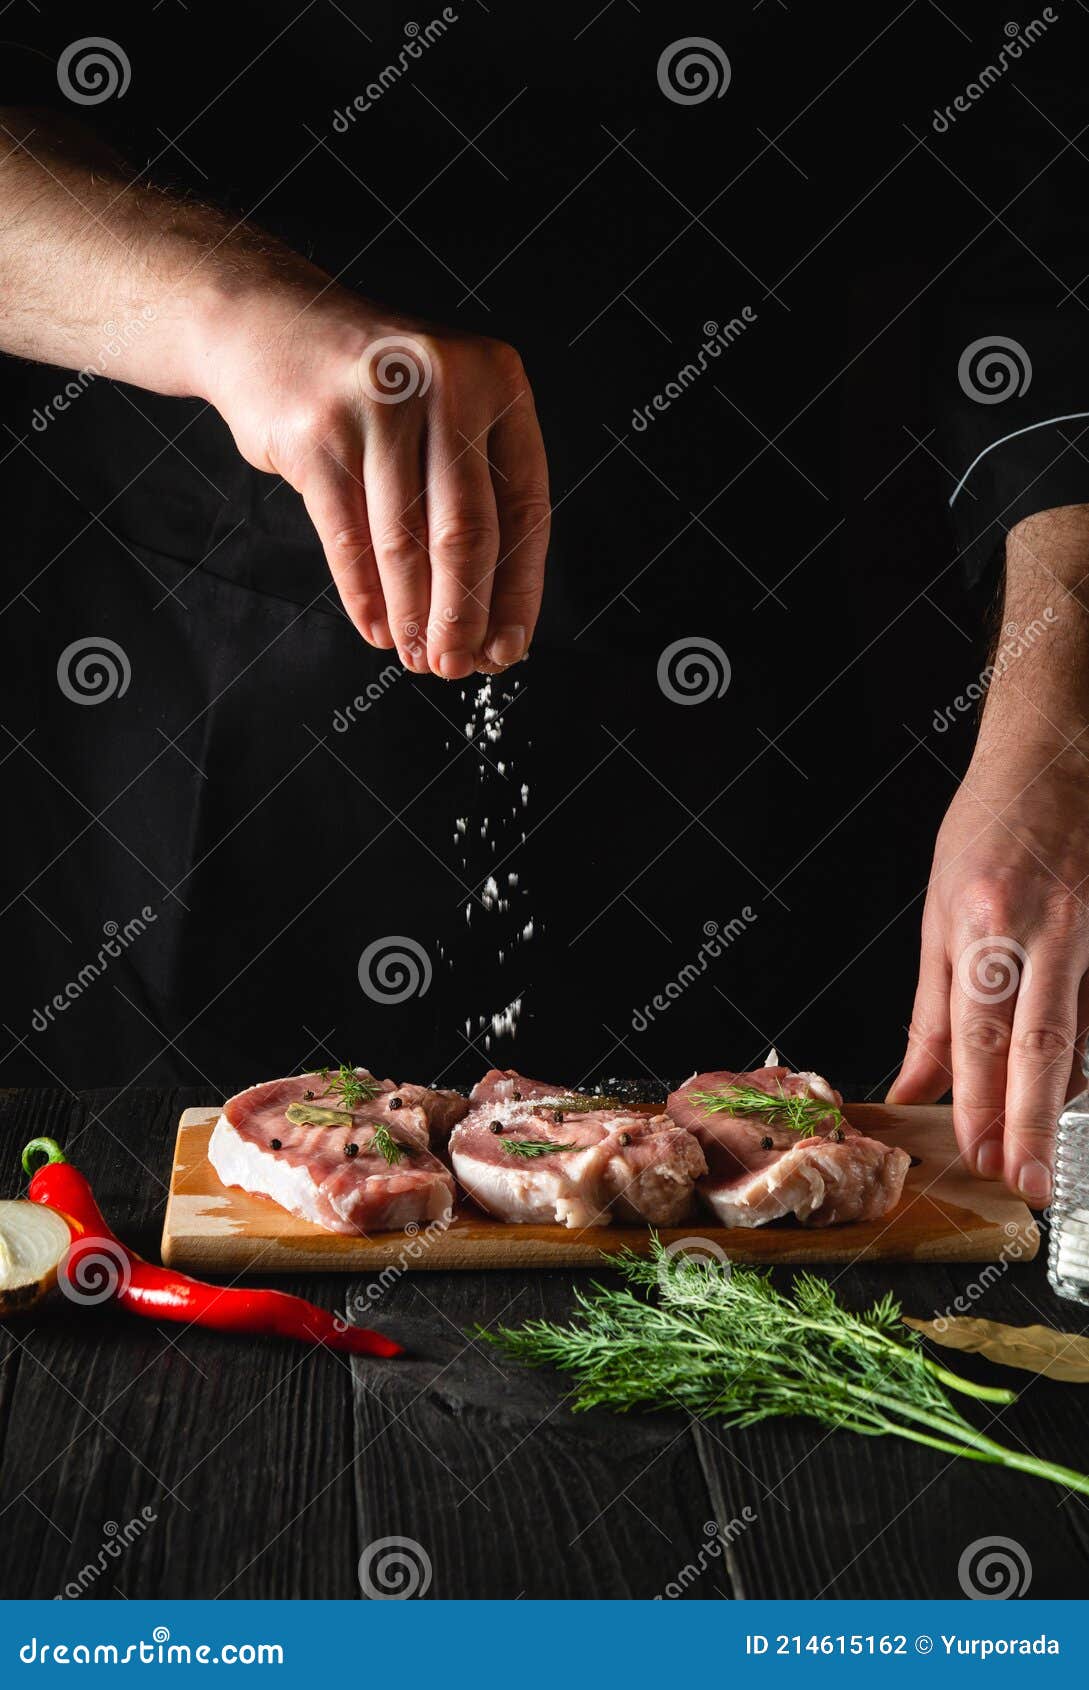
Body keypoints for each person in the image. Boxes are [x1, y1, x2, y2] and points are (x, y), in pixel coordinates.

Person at [2, 5, 1087, 1213]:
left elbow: (1051, 210)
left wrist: (1061, 729)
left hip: (742, 679)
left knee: (763, 1268)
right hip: (201, 693)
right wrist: (225, 311)